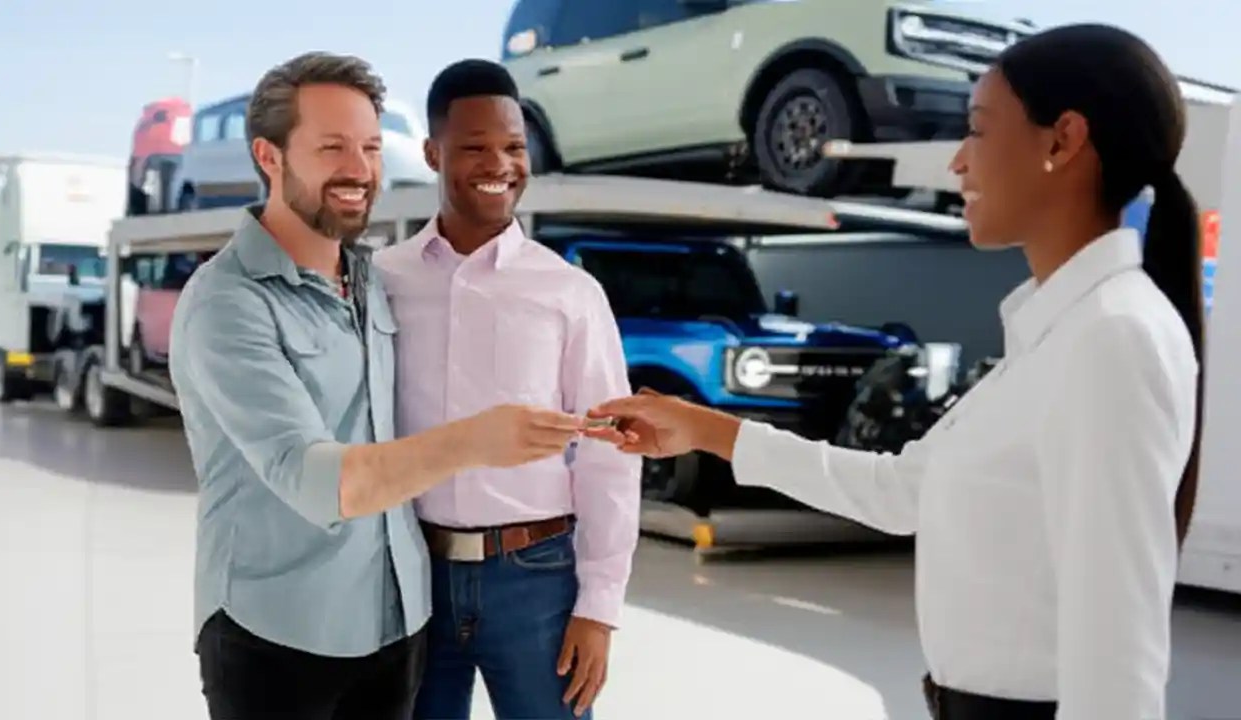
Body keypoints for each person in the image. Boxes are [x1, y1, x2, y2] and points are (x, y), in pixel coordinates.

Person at [585, 24, 1204, 720]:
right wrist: (706, 429)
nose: (958, 164)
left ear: (1061, 140)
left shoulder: (1110, 339)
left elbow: (1117, 665)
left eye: (977, 131)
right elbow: (900, 490)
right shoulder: (1058, 334)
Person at [168, 52, 588, 720]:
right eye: (332, 146)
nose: (360, 169)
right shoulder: (228, 303)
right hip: (276, 638)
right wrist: (475, 440)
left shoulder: (372, 281)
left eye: (368, 146)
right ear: (269, 156)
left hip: (396, 631)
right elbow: (317, 481)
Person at [373, 59, 641, 720]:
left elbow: (609, 452)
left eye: (514, 147)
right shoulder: (383, 280)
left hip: (536, 578)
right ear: (433, 153)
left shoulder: (569, 292)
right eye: (475, 148)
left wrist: (599, 611)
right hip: (411, 575)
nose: (500, 164)